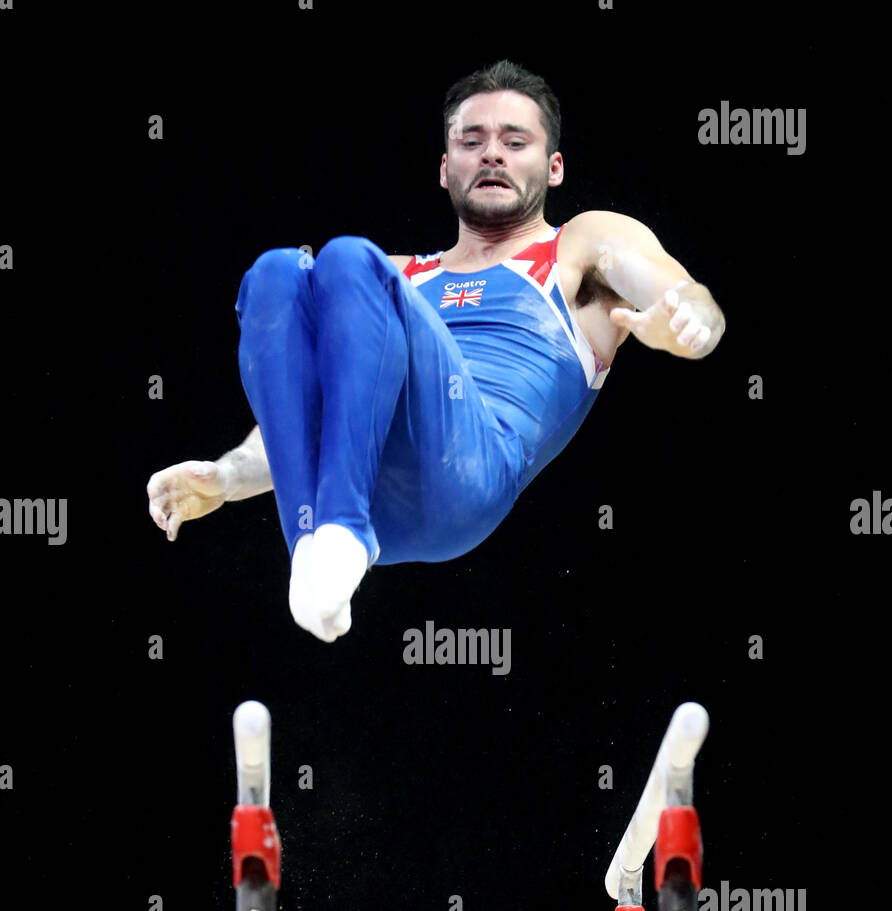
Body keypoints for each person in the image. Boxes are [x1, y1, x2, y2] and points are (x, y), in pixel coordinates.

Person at [147, 60, 725, 642]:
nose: (492, 154)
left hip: (467, 480)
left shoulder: (578, 247)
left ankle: (336, 532)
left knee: (349, 261)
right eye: (472, 142)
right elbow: (309, 407)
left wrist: (678, 325)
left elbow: (684, 297)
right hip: (365, 488)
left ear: (554, 168)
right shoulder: (397, 279)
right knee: (276, 272)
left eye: (514, 141)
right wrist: (226, 476)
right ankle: (315, 547)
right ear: (446, 169)